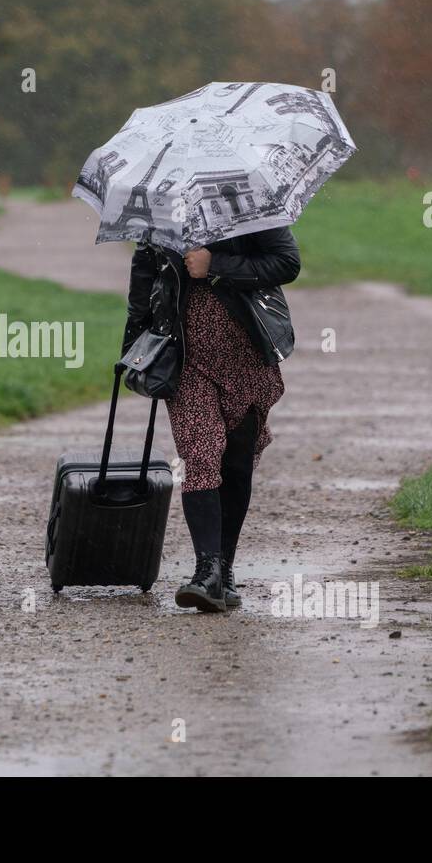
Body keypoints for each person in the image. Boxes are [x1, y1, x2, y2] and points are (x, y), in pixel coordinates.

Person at [123, 230, 299, 612]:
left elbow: (286, 263)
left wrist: (214, 266)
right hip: (186, 359)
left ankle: (225, 570)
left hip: (248, 354)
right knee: (201, 456)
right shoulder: (161, 212)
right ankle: (207, 570)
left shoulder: (251, 207)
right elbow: (144, 279)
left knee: (235, 464)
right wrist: (133, 348)